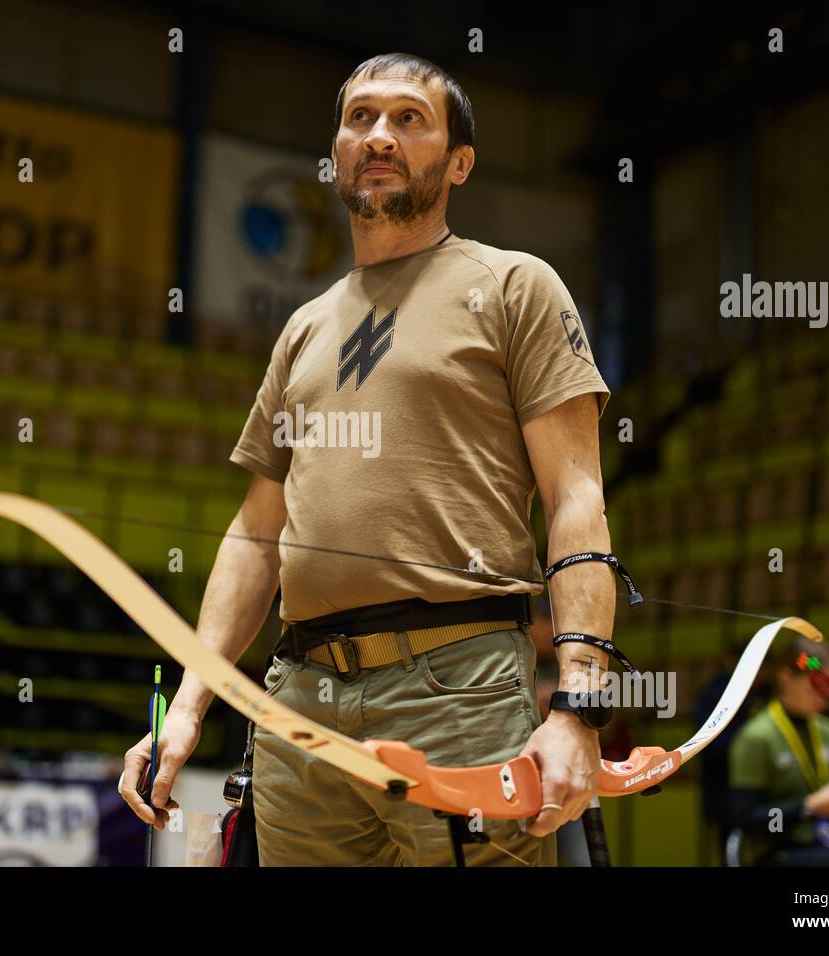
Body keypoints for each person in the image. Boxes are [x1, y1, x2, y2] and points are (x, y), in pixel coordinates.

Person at [119, 53, 619, 866]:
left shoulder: (515, 286)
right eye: (360, 118)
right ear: (336, 151)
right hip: (298, 704)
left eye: (408, 119)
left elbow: (576, 497)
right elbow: (255, 535)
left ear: (459, 161)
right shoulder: (304, 328)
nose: (378, 136)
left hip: (459, 688)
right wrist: (187, 706)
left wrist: (576, 706)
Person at [726, 638, 829, 866]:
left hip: (821, 847)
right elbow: (746, 819)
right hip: (774, 854)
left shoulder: (828, 731)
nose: (824, 696)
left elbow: (827, 815)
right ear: (785, 679)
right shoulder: (756, 736)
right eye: (814, 687)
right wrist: (808, 807)